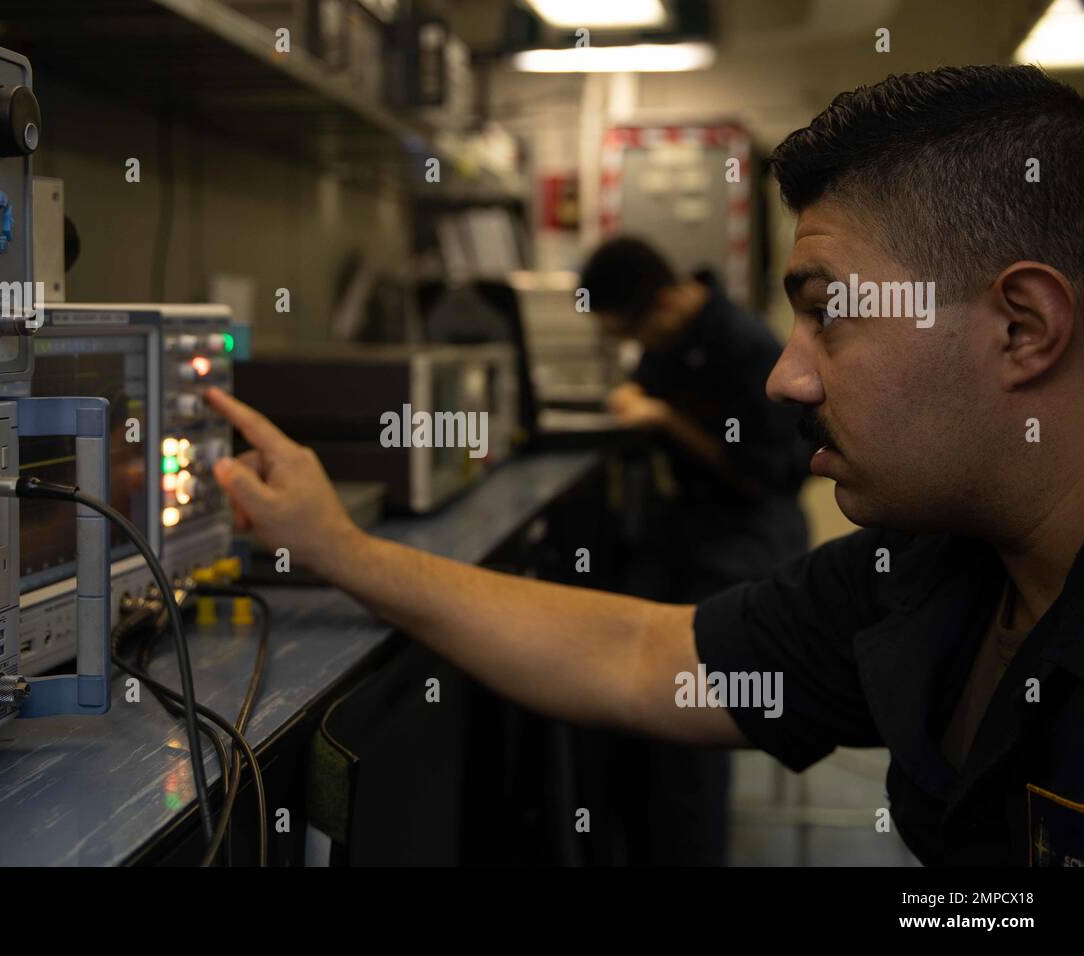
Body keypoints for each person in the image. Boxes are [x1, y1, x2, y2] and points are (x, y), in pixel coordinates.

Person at [206, 64, 1084, 866]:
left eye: (829, 313)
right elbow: (635, 654)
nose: (788, 376)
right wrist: (337, 547)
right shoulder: (921, 579)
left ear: (1023, 328)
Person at [576, 241, 812, 863]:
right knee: (621, 675)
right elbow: (644, 386)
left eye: (633, 329)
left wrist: (665, 420)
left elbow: (766, 476)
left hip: (750, 535)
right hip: (689, 530)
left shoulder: (745, 347)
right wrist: (634, 398)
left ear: (660, 301)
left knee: (690, 707)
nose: (638, 342)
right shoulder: (668, 336)